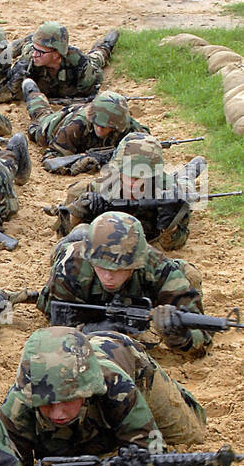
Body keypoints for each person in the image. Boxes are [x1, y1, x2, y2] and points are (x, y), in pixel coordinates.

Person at [0, 327, 205, 466]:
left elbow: (153, 461)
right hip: (81, 365)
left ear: (87, 390)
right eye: (47, 404)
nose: (58, 412)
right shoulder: (19, 405)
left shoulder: (116, 388)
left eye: (68, 399)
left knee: (191, 436)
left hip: (128, 359)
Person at [37, 211, 212, 359]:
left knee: (188, 273)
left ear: (136, 264)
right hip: (75, 250)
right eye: (101, 267)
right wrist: (99, 329)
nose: (108, 276)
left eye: (118, 269)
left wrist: (179, 337)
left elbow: (203, 338)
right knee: (77, 235)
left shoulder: (158, 268)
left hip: (143, 290)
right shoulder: (71, 266)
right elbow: (59, 333)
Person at [50, 135, 197, 253]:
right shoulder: (101, 187)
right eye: (129, 175)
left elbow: (174, 244)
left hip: (148, 238)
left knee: (186, 183)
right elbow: (65, 235)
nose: (134, 182)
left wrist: (170, 226)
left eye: (141, 177)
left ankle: (190, 172)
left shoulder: (169, 193)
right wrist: (78, 212)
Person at [24, 85, 142, 168]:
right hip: (52, 127)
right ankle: (31, 91)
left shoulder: (123, 124)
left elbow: (144, 140)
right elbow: (51, 160)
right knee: (40, 117)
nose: (100, 129)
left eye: (106, 126)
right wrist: (81, 162)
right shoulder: (76, 126)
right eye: (97, 124)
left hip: (85, 112)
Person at [5, 21, 115, 101]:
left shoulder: (79, 64)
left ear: (56, 54)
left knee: (96, 59)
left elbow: (92, 89)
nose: (35, 54)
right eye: (35, 49)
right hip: (30, 46)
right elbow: (12, 91)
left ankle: (105, 46)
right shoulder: (30, 58)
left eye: (41, 52)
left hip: (79, 65)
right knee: (9, 51)